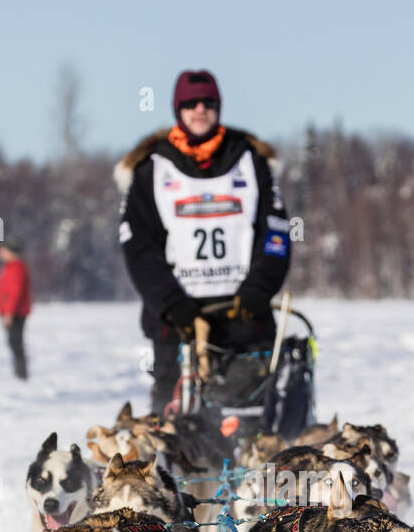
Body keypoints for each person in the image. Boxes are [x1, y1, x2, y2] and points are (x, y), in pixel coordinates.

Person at [115, 69, 290, 414]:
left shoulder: (250, 162)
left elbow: (276, 236)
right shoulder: (151, 170)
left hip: (243, 319)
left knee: (249, 432)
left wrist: (258, 289)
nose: (200, 109)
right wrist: (171, 305)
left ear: (219, 107)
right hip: (176, 325)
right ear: (176, 109)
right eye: (190, 103)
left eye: (208, 102)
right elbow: (139, 250)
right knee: (172, 432)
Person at [0, 238, 32, 379]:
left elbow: (15, 292)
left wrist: (9, 312)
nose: (0, 253)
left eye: (3, 250)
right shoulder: (11, 267)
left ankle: (21, 375)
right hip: (12, 312)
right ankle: (19, 373)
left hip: (15, 313)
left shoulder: (16, 268)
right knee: (14, 343)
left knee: (16, 343)